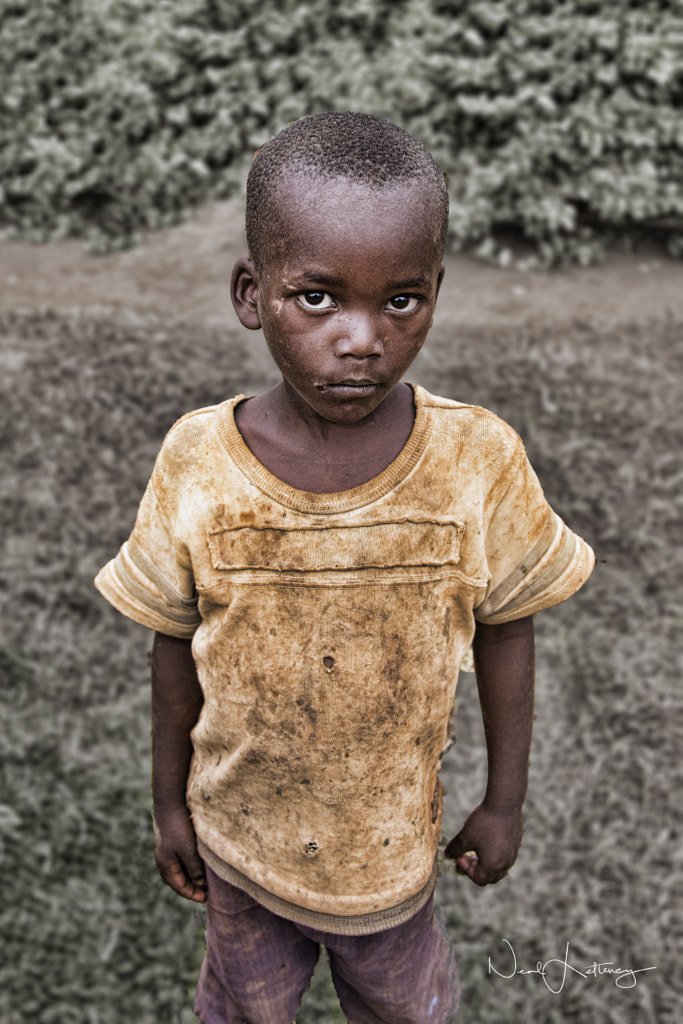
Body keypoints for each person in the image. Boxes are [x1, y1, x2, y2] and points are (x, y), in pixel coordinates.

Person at [95, 112, 594, 1024]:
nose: (362, 336)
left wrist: (504, 801)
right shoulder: (199, 461)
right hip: (241, 845)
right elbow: (173, 643)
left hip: (390, 860)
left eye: (400, 300)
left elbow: (508, 625)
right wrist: (169, 805)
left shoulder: (476, 460)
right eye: (317, 298)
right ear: (251, 293)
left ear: (435, 291)